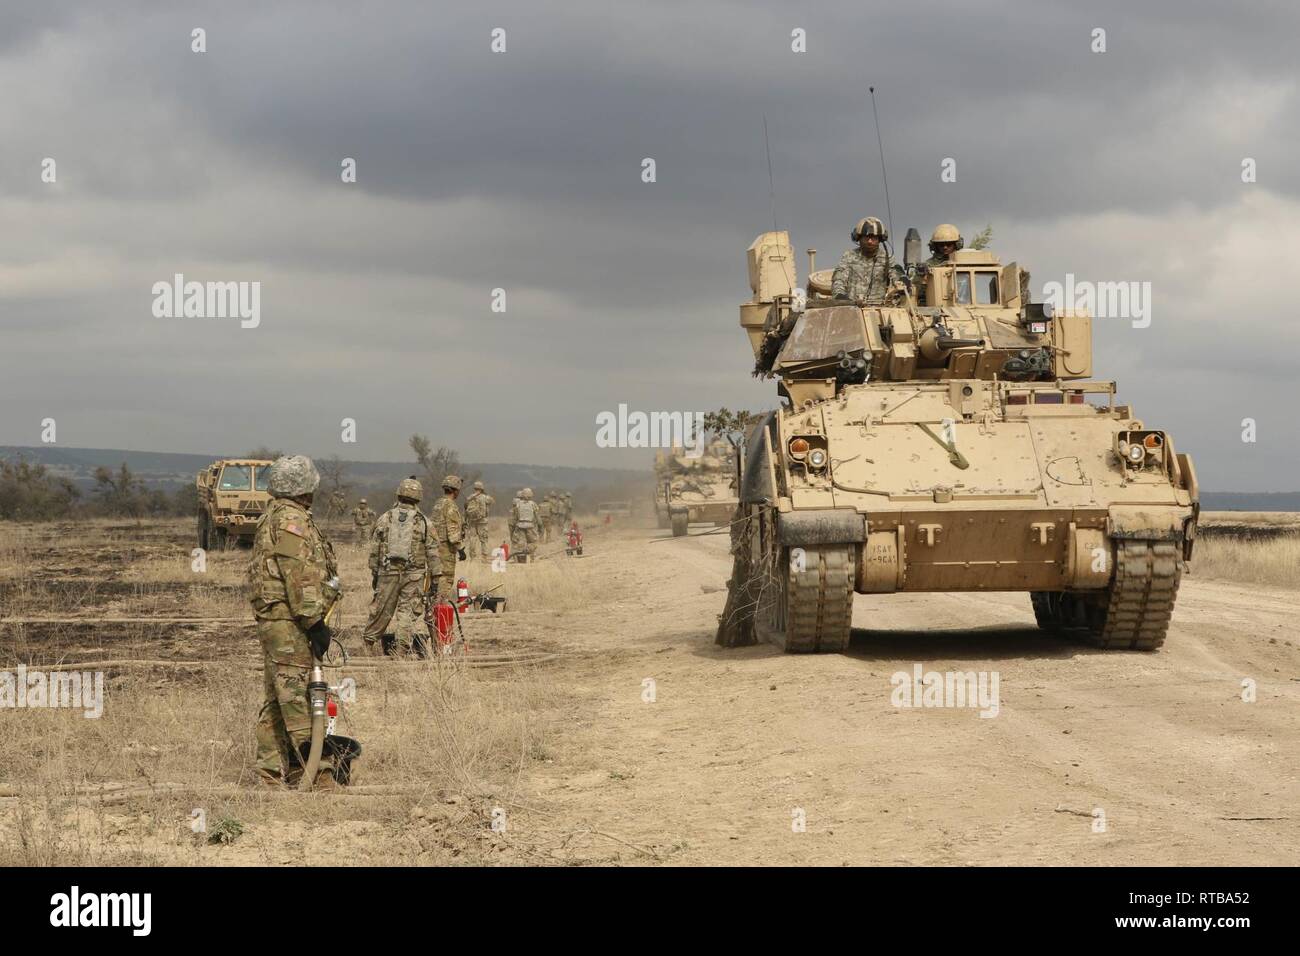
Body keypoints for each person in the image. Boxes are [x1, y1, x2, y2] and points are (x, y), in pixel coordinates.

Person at [249, 455, 342, 788]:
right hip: (288, 622)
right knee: (297, 696)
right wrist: (314, 621)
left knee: (278, 697)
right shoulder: (291, 518)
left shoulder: (276, 515)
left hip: (280, 619)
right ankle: (315, 773)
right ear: (306, 486)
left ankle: (272, 771)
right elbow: (297, 574)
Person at [363, 478, 441, 656]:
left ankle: (368, 645)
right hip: (414, 575)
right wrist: (435, 578)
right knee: (407, 612)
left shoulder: (385, 518)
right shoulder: (424, 522)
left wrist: (375, 572)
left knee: (381, 609)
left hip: (387, 572)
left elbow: (375, 549)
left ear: (399, 494)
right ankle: (400, 650)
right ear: (418, 498)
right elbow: (433, 552)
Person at [831, 216, 894, 306]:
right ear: (858, 238)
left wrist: (902, 279)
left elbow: (896, 274)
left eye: (874, 238)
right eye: (866, 237)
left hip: (880, 308)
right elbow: (839, 279)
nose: (870, 241)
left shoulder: (887, 258)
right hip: (852, 308)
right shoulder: (849, 256)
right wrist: (840, 296)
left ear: (880, 239)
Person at [429, 475, 466, 600]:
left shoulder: (438, 504)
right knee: (445, 580)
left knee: (434, 579)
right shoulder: (451, 506)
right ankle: (440, 609)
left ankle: (433, 607)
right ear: (455, 490)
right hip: (445, 550)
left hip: (433, 548)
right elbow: (453, 531)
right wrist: (461, 549)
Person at [463, 480, 494, 562]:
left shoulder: (469, 497)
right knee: (484, 539)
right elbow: (492, 501)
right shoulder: (484, 497)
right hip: (482, 521)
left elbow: (465, 509)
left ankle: (472, 557)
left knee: (472, 539)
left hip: (472, 521)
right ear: (482, 488)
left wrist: (465, 520)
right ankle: (484, 557)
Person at [510, 488, 540, 559]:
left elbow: (515, 517)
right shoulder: (533, 504)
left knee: (520, 543)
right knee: (534, 542)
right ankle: (530, 554)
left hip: (520, 526)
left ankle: (521, 557)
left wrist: (514, 526)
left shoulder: (518, 504)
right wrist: (540, 526)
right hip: (530, 526)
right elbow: (537, 517)